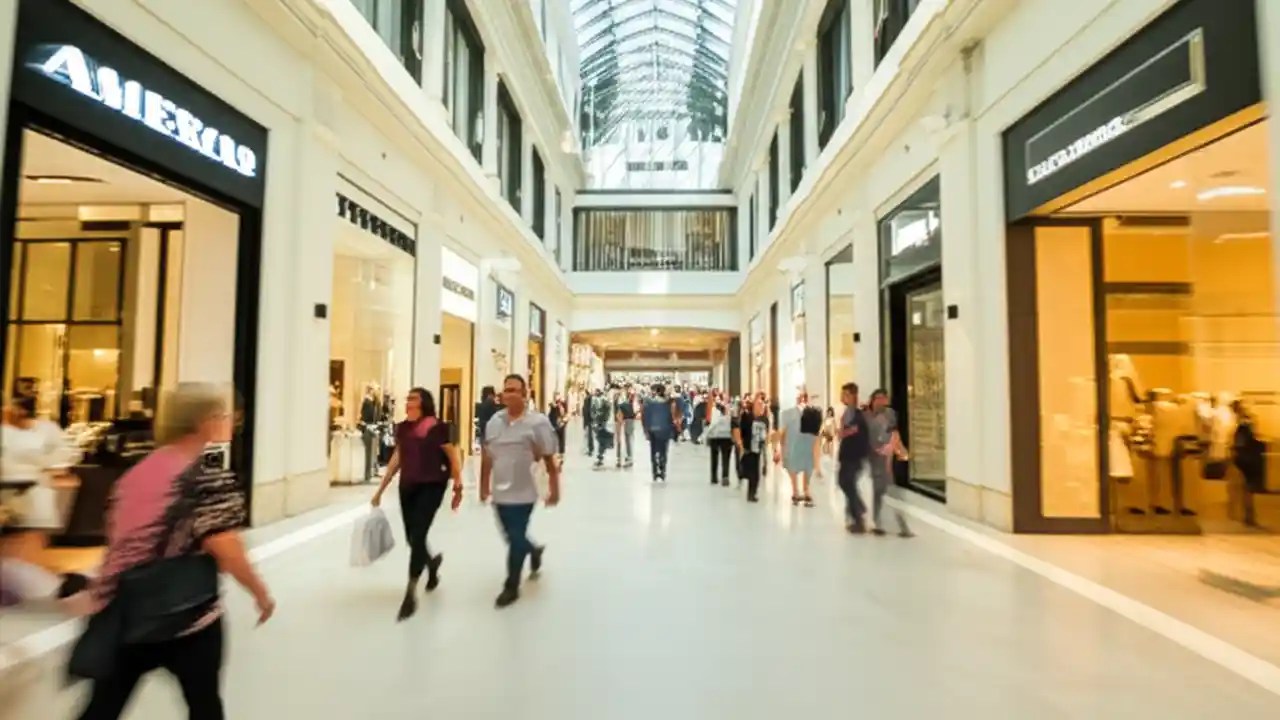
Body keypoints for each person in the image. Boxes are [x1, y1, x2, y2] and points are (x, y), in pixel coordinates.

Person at [73, 384, 274, 720]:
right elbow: (225, 546)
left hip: (126, 609)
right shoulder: (204, 477)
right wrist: (259, 592)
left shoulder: (134, 474)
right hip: (188, 613)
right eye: (222, 416)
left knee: (103, 708)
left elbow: (117, 536)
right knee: (204, 706)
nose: (229, 422)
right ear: (205, 422)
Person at [371, 388, 463, 620]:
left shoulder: (437, 427)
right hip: (408, 486)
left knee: (419, 534)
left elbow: (452, 454)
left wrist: (458, 482)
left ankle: (410, 592)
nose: (408, 402)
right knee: (413, 538)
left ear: (424, 403)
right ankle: (431, 564)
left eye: (413, 398)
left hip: (432, 485)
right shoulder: (402, 428)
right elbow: (397, 458)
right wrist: (381, 489)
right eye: (408, 399)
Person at [480, 374, 560, 608]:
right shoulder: (494, 421)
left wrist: (554, 489)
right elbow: (487, 455)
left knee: (515, 537)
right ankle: (533, 550)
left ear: (525, 394)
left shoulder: (538, 423)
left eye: (515, 390)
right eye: (506, 390)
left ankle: (511, 586)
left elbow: (548, 458)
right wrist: (484, 484)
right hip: (500, 491)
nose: (510, 394)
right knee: (511, 535)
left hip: (526, 491)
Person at [0, 389, 84, 606]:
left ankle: (37, 592)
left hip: (36, 488)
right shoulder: (4, 432)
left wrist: (49, 465)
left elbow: (68, 453)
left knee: (31, 535)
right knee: (10, 543)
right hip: (6, 489)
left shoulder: (47, 429)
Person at [866, 389, 913, 537]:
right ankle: (877, 523)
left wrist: (894, 447)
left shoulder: (890, 414)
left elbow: (894, 433)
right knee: (878, 492)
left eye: (884, 398)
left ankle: (902, 525)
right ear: (872, 400)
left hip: (889, 458)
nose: (881, 401)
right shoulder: (867, 417)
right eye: (878, 398)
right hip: (874, 459)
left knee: (893, 493)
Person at [777, 389, 821, 507]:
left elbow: (816, 434)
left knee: (804, 465)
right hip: (795, 444)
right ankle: (798, 491)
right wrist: (780, 448)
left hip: (802, 444)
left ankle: (802, 491)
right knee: (797, 465)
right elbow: (783, 431)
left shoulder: (812, 413)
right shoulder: (789, 413)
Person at [837, 382, 871, 533]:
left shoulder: (856, 414)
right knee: (846, 483)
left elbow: (852, 430)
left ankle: (858, 515)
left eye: (845, 394)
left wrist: (843, 432)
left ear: (853, 396)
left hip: (853, 456)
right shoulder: (849, 412)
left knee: (847, 483)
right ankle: (858, 509)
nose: (842, 397)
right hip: (848, 455)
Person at [734, 396, 771, 503]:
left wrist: (766, 449)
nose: (761, 408)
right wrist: (740, 443)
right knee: (747, 469)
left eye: (762, 406)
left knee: (755, 474)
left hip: (758, 449)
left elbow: (766, 434)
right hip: (748, 447)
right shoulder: (746, 417)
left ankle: (752, 494)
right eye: (759, 405)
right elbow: (741, 430)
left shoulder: (764, 419)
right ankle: (742, 476)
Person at [642, 384, 679, 482]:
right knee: (663, 450)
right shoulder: (668, 403)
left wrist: (645, 430)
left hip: (652, 430)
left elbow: (645, 418)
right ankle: (662, 470)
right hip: (664, 430)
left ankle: (655, 472)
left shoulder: (648, 404)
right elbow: (671, 418)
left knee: (653, 451)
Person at [705, 396, 734, 486]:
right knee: (726, 459)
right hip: (726, 439)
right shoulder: (729, 417)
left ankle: (714, 477)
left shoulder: (715, 416)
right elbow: (733, 427)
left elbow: (711, 426)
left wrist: (707, 436)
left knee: (714, 458)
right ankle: (725, 476)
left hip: (715, 438)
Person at [615, 388, 636, 468]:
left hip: (626, 420)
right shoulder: (623, 402)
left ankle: (626, 458)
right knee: (622, 440)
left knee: (627, 440)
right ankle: (621, 459)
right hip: (623, 420)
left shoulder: (627, 402)